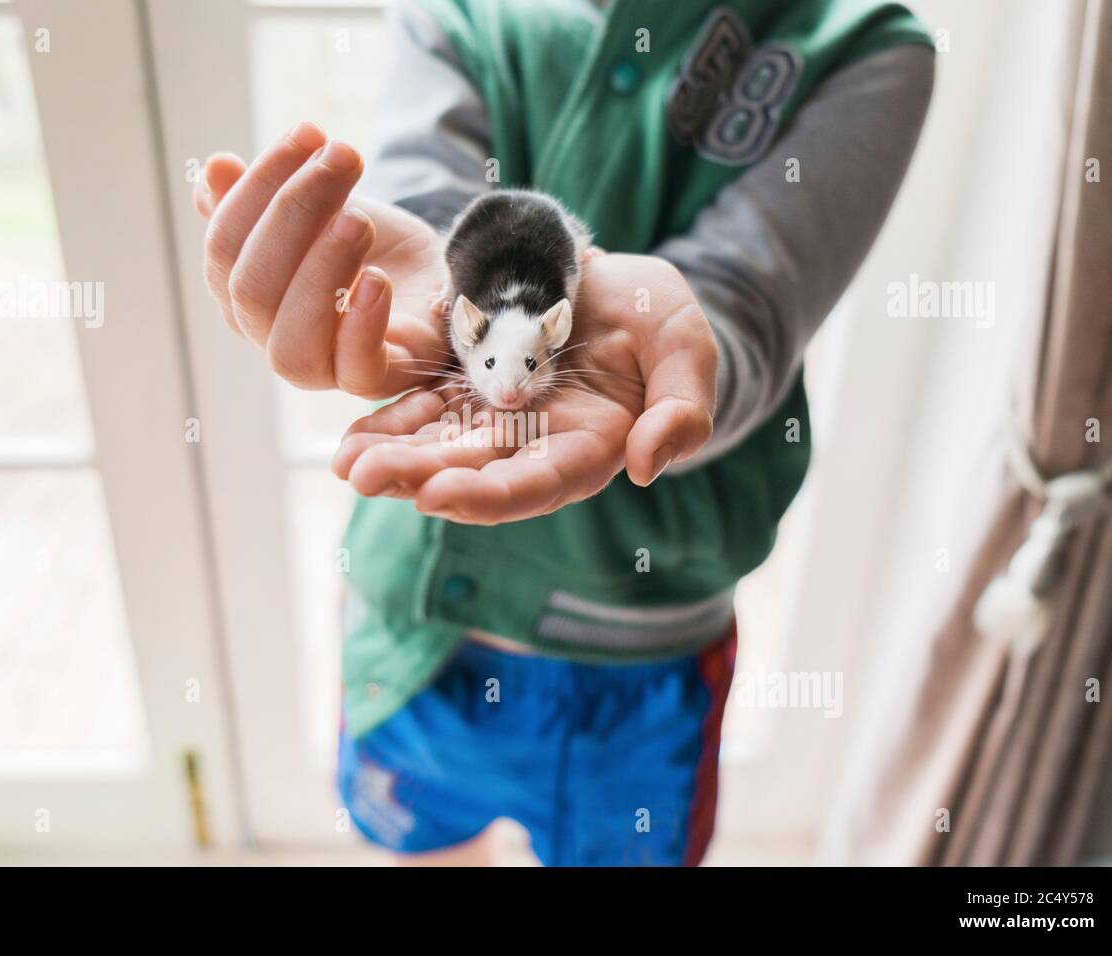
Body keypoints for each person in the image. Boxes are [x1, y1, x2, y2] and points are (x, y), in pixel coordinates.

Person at [193, 0, 935, 866]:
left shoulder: (866, 46)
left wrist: (670, 360)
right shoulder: (458, 17)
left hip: (643, 659)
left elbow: (744, 308)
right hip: (417, 632)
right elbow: (430, 206)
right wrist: (414, 275)